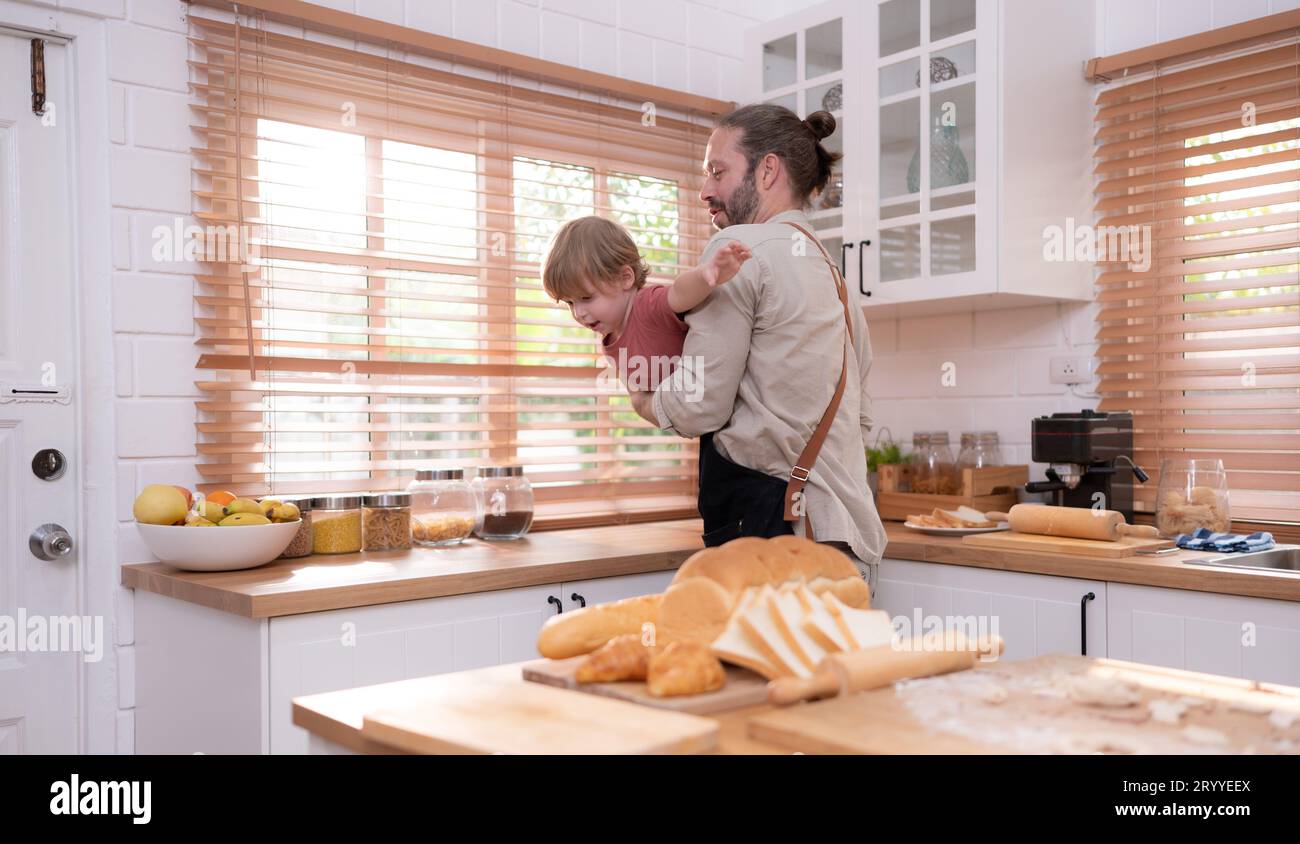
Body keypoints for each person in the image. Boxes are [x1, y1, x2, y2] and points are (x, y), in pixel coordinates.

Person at [629, 104, 886, 595]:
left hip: (781, 547)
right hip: (847, 551)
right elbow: (862, 419)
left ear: (767, 170)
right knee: (837, 675)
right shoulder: (835, 275)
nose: (705, 190)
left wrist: (641, 398)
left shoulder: (741, 250)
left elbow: (698, 405)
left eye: (717, 171)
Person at [541, 215, 751, 391]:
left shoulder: (647, 305)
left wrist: (705, 274)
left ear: (625, 278)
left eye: (586, 298)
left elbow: (679, 292)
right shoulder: (610, 343)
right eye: (569, 303)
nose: (578, 312)